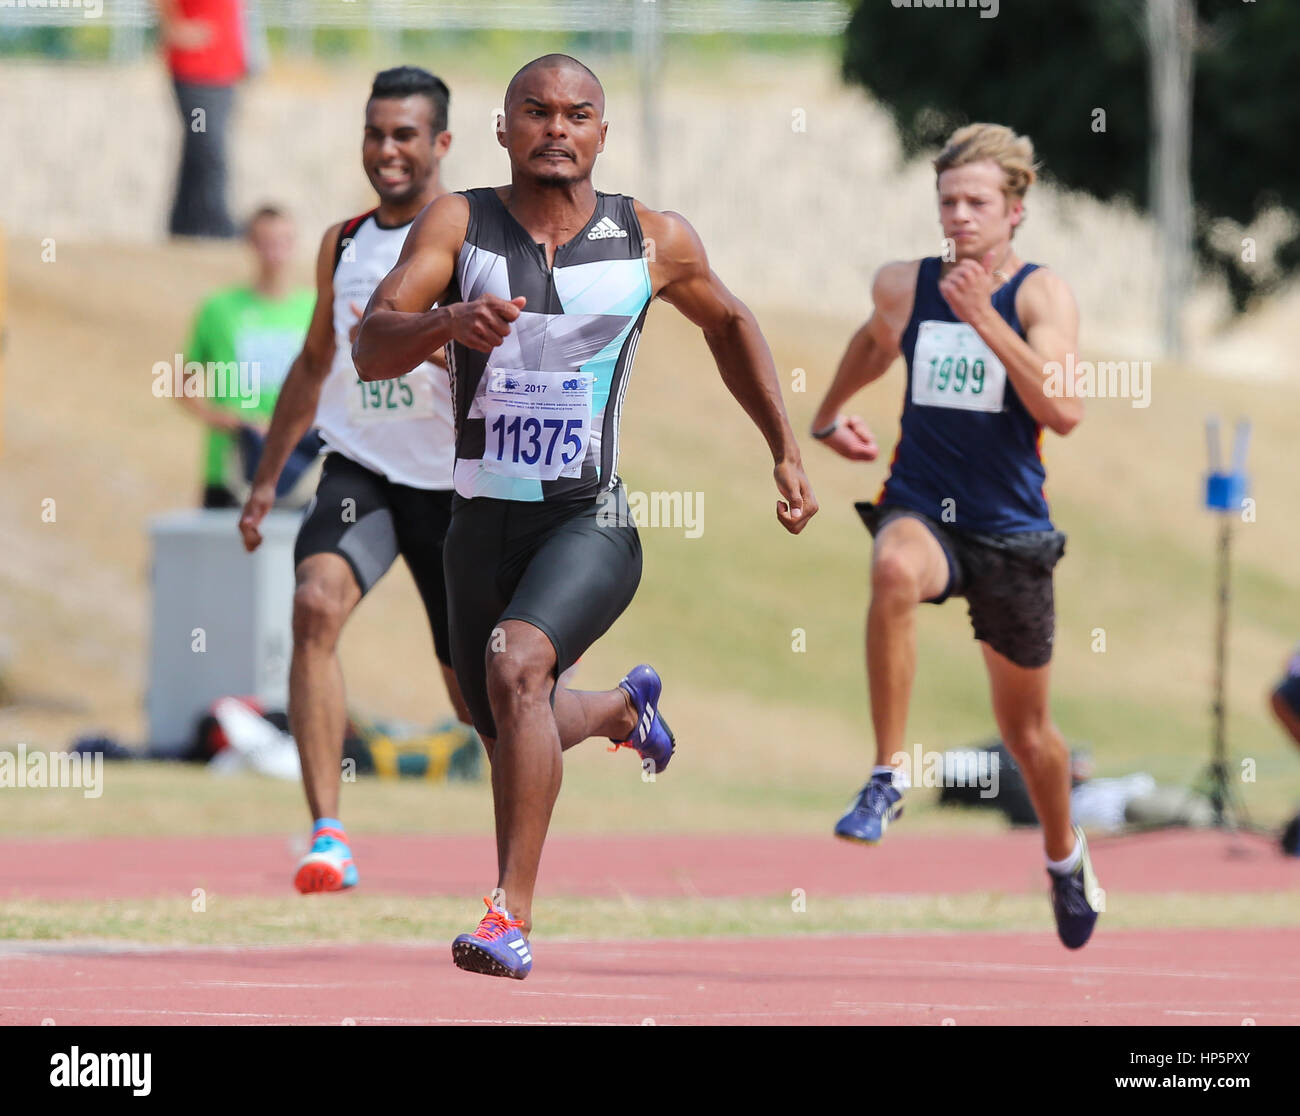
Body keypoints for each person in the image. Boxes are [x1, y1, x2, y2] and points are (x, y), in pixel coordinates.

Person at [353, 54, 818, 979]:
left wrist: (786, 447)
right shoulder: (462, 223)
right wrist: (448, 325)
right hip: (477, 524)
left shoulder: (653, 239)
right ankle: (615, 710)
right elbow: (370, 346)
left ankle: (506, 916)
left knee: (516, 666)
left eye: (576, 114)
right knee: (499, 718)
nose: (555, 129)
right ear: (503, 127)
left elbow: (728, 324)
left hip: (588, 520)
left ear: (603, 133)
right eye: (536, 111)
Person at [809, 123, 1102, 950]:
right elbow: (874, 341)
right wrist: (828, 416)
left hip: (1010, 533)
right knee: (893, 568)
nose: (960, 216)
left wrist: (985, 319)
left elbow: (1066, 409)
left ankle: (1061, 855)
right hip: (923, 508)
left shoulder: (1043, 296)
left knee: (1030, 736)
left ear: (1016, 210)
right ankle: (886, 774)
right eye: (948, 202)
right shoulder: (909, 285)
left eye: (977, 202)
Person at [237, 67, 471, 894]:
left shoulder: (476, 244)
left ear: (441, 143)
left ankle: (619, 712)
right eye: (375, 134)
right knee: (313, 604)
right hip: (361, 474)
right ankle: (329, 835)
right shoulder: (342, 243)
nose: (386, 150)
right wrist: (267, 481)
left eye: (404, 134)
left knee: (483, 701)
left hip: (457, 493)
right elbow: (313, 363)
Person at [176, 205, 315, 509]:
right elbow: (182, 386)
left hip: (298, 468)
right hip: (229, 469)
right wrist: (232, 421)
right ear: (251, 244)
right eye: (266, 242)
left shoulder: (314, 309)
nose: (274, 253)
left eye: (283, 242)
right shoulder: (218, 310)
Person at [154, 0, 252, 238]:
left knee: (197, 148)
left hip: (225, 73)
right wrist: (175, 27)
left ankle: (183, 224)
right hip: (195, 71)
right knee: (209, 148)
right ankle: (216, 224)